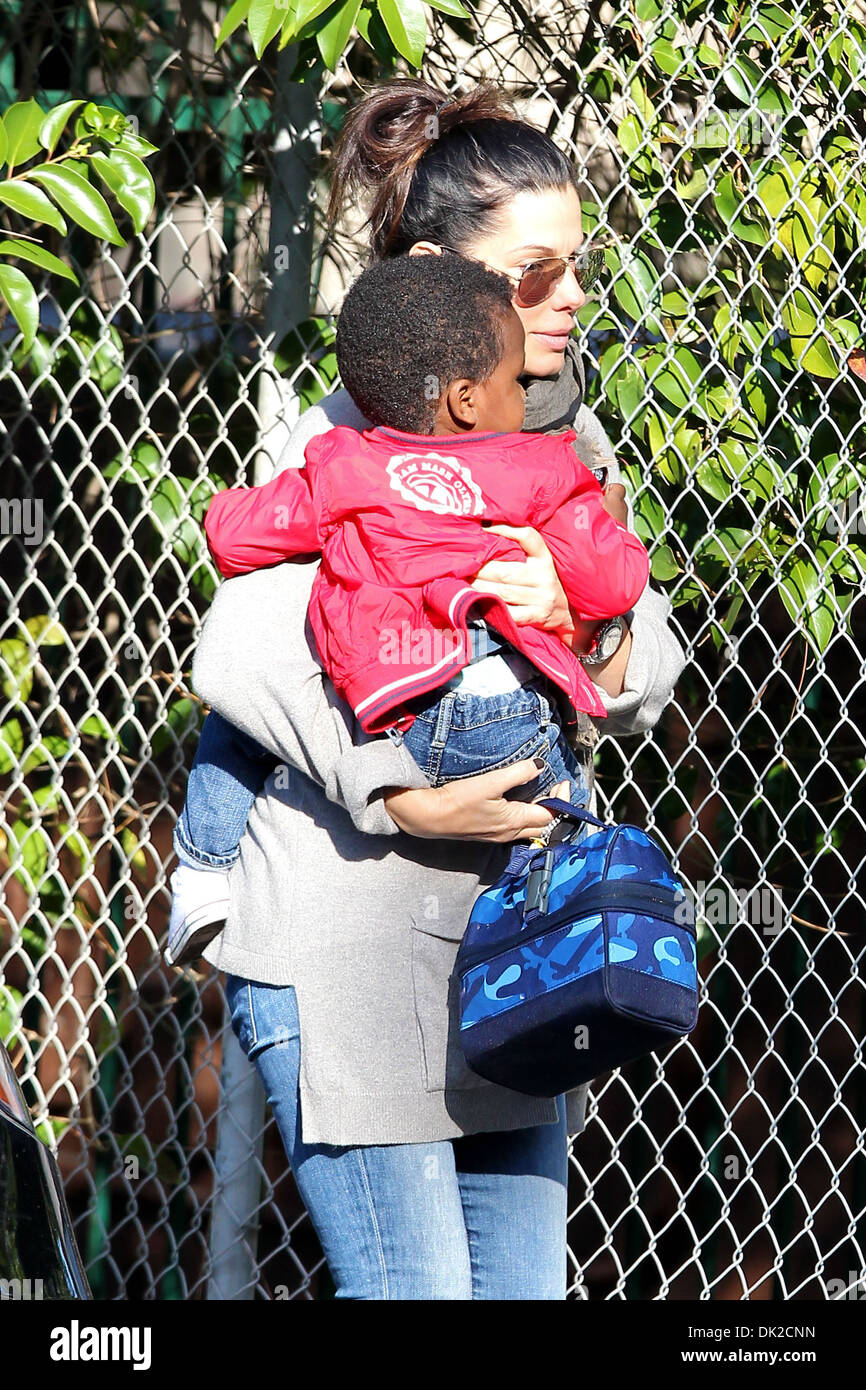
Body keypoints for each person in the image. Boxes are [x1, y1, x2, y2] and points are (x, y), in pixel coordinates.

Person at [185, 78, 687, 1299]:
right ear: (435, 276)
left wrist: (584, 613)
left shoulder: (549, 434)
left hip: (507, 937)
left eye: (577, 267)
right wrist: (398, 795)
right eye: (534, 273)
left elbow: (642, 656)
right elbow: (244, 645)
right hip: (346, 934)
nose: (569, 298)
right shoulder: (328, 446)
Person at [165, 252, 649, 968]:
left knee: (233, 727)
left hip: (400, 716)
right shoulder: (542, 466)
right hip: (509, 719)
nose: (525, 393)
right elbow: (613, 586)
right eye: (514, 381)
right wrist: (611, 527)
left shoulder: (342, 465)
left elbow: (232, 536)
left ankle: (202, 869)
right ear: (464, 398)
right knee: (559, 817)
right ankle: (561, 938)